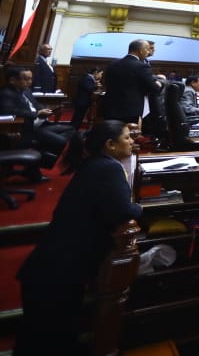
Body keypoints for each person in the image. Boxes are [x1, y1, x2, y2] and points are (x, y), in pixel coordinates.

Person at [15, 120, 142, 355]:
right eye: (127, 137)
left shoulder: (94, 162)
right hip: (56, 276)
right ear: (110, 144)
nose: (133, 141)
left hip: (50, 269)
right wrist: (140, 208)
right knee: (48, 343)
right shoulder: (109, 168)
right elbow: (123, 211)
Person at [0, 66, 73, 164]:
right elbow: (9, 110)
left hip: (40, 123)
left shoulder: (26, 90)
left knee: (71, 129)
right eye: (26, 79)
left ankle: (41, 151)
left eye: (31, 78)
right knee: (61, 141)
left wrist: (42, 109)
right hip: (27, 128)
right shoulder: (6, 93)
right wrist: (37, 114)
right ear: (12, 80)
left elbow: (36, 104)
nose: (30, 82)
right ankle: (38, 165)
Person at [101, 38, 164, 124]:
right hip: (130, 110)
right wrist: (158, 83)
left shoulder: (112, 64)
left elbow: (104, 82)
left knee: (112, 133)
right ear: (141, 50)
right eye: (147, 49)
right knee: (127, 135)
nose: (148, 52)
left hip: (109, 107)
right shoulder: (142, 66)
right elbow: (154, 89)